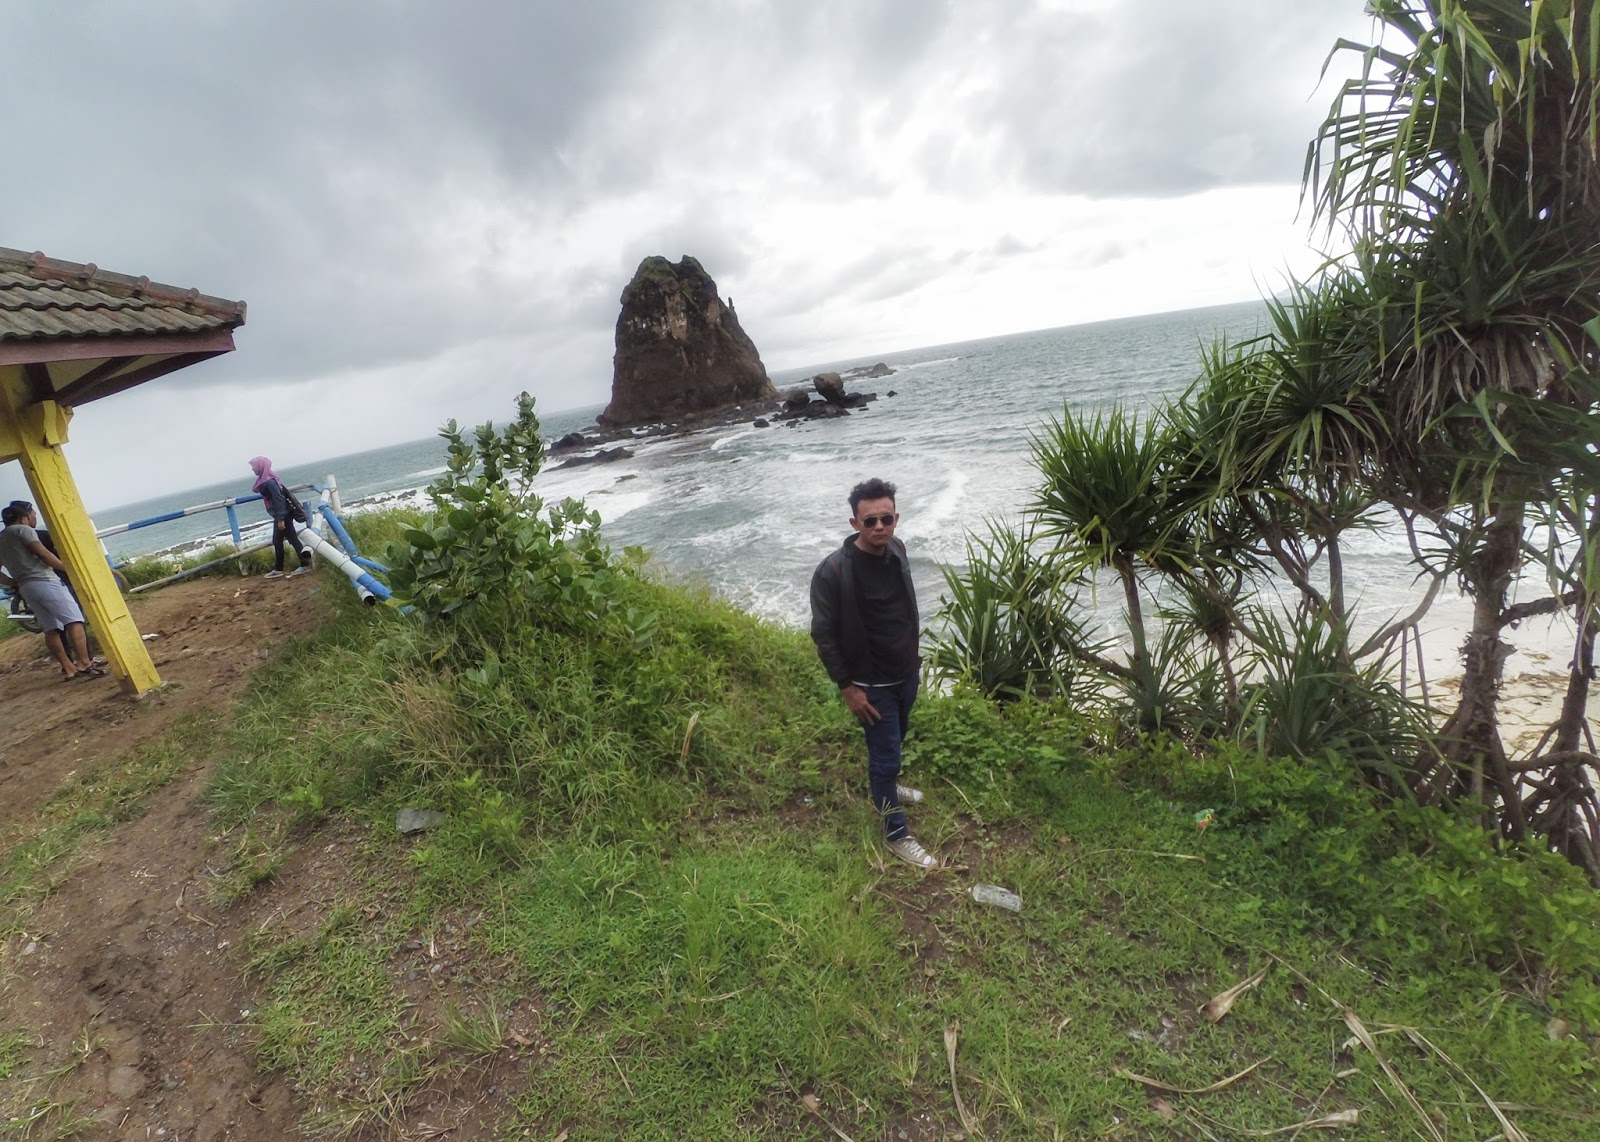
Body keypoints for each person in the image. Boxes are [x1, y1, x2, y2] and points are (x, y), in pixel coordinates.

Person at [809, 478, 937, 869]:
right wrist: (847, 688)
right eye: (870, 521)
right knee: (884, 756)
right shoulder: (833, 571)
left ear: (895, 518)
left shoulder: (897, 550)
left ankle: (888, 785)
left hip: (905, 673)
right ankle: (896, 833)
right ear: (854, 523)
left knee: (896, 738)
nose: (879, 527)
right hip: (870, 683)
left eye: (886, 518)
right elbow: (824, 635)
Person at [0, 501, 106, 681]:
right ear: (23, 517)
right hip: (45, 581)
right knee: (74, 620)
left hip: (26, 587)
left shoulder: (1, 538)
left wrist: (12, 582)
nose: (34, 517)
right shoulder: (24, 530)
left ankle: (69, 667)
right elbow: (43, 554)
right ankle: (84, 663)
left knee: (51, 628)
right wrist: (69, 568)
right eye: (31, 513)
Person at [249, 456, 311, 579]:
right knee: (279, 541)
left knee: (290, 540)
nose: (252, 469)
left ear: (260, 466)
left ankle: (304, 565)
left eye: (253, 466)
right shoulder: (266, 480)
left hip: (283, 515)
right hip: (280, 514)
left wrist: (281, 519)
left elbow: (279, 499)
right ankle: (280, 569)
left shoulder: (269, 482)